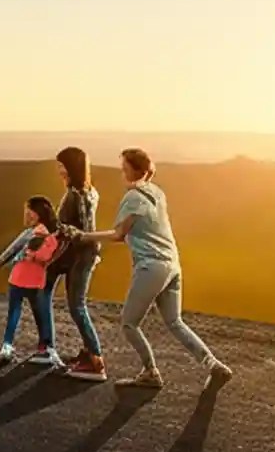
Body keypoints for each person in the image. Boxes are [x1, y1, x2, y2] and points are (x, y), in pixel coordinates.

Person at [62, 148, 233, 390]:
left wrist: (81, 236)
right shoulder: (157, 193)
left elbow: (119, 234)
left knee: (129, 323)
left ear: (134, 169)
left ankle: (150, 371)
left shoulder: (133, 197)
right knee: (175, 322)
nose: (122, 173)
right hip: (173, 265)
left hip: (151, 266)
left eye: (124, 168)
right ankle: (212, 363)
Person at [0, 195, 67, 366]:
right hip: (21, 279)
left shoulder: (48, 236)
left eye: (28, 212)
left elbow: (45, 257)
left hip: (32, 282)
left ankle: (43, 348)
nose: (25, 216)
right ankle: (12, 346)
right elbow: (11, 253)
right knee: (24, 314)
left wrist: (34, 252)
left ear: (37, 214)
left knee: (32, 315)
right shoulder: (32, 235)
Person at [43, 146, 108, 381]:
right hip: (84, 255)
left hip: (81, 256)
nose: (58, 170)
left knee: (77, 307)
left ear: (70, 167)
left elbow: (74, 231)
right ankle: (87, 352)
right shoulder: (91, 192)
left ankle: (96, 361)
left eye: (61, 165)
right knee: (75, 305)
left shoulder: (73, 195)